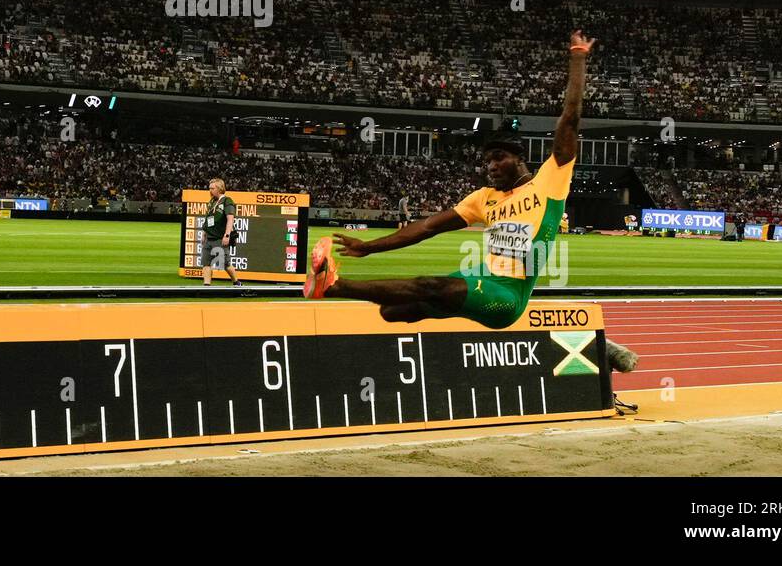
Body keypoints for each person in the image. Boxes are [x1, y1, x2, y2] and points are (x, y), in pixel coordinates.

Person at [304, 31, 638, 374]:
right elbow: (427, 226)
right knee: (393, 311)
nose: (491, 166)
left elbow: (570, 118)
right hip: (481, 276)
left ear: (519, 160)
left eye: (498, 158)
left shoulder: (549, 183)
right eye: (487, 161)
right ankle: (432, 298)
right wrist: (369, 247)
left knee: (429, 285)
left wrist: (578, 57)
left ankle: (331, 286)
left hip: (507, 296)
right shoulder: (483, 198)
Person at [199, 177, 241, 286]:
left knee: (226, 264)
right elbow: (208, 219)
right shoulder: (211, 202)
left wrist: (227, 235)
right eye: (209, 188)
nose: (210, 190)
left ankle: (236, 282)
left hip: (220, 238)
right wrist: (204, 233)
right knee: (206, 263)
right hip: (209, 238)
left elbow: (230, 219)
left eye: (212, 188)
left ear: (219, 189)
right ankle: (206, 285)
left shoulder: (227, 201)